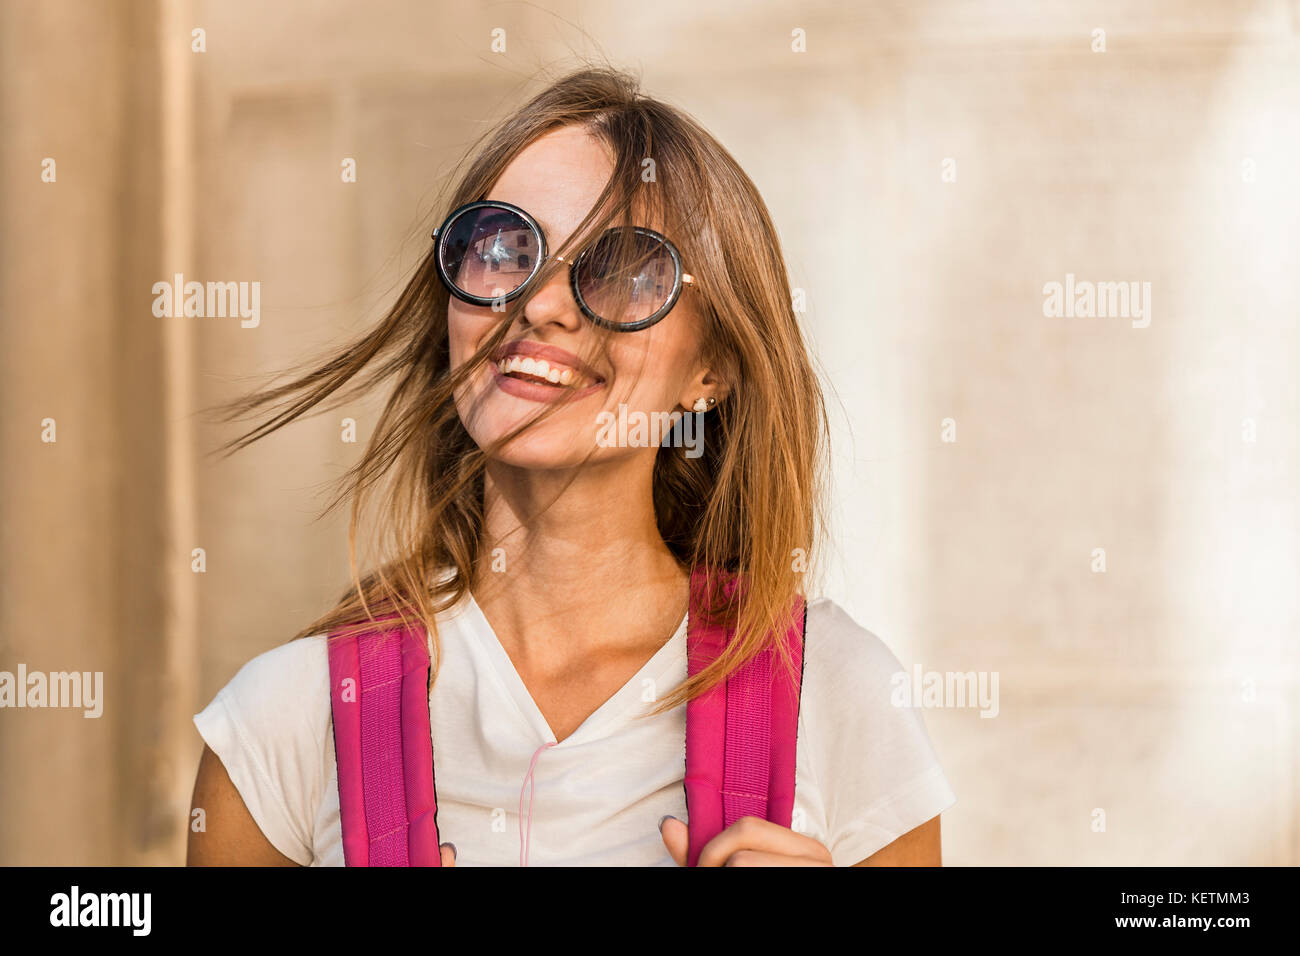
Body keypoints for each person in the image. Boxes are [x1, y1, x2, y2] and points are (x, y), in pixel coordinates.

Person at [187, 66, 955, 867]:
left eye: (624, 270)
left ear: (712, 369)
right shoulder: (282, 723)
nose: (540, 303)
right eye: (503, 248)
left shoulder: (835, 696)